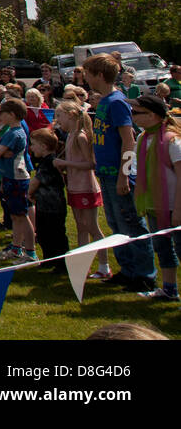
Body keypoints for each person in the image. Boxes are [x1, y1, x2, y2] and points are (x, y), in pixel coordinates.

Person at [83, 54, 156, 292]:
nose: (86, 77)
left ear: (100, 76)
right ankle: (127, 270)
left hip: (119, 174)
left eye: (88, 73)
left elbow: (128, 139)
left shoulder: (117, 102)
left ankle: (144, 275)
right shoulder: (103, 102)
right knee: (116, 223)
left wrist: (124, 174)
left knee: (131, 223)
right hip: (105, 172)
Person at [54, 99, 112, 281]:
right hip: (74, 187)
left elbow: (91, 163)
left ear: (71, 115)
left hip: (85, 187)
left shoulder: (80, 136)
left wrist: (65, 163)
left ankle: (104, 265)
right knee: (80, 227)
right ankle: (82, 264)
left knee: (92, 226)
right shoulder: (71, 135)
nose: (57, 120)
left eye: (59, 116)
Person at [130, 94, 181, 301]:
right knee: (162, 247)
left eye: (137, 113)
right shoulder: (143, 138)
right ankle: (169, 289)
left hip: (173, 205)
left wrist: (178, 209)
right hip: (154, 204)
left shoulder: (172, 140)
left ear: (152, 115)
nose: (133, 116)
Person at [0, 99, 36, 264]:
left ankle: (30, 252)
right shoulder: (9, 131)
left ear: (11, 114)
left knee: (22, 216)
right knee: (15, 216)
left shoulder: (15, 133)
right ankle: (16, 248)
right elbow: (0, 152)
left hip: (17, 179)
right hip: (8, 177)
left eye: (2, 113)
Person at [28, 127, 68, 265]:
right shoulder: (46, 161)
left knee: (55, 234)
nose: (31, 148)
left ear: (43, 146)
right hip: (44, 204)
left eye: (33, 145)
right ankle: (48, 258)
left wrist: (29, 193)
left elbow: (36, 181)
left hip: (52, 206)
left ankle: (60, 261)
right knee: (44, 233)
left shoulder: (49, 162)